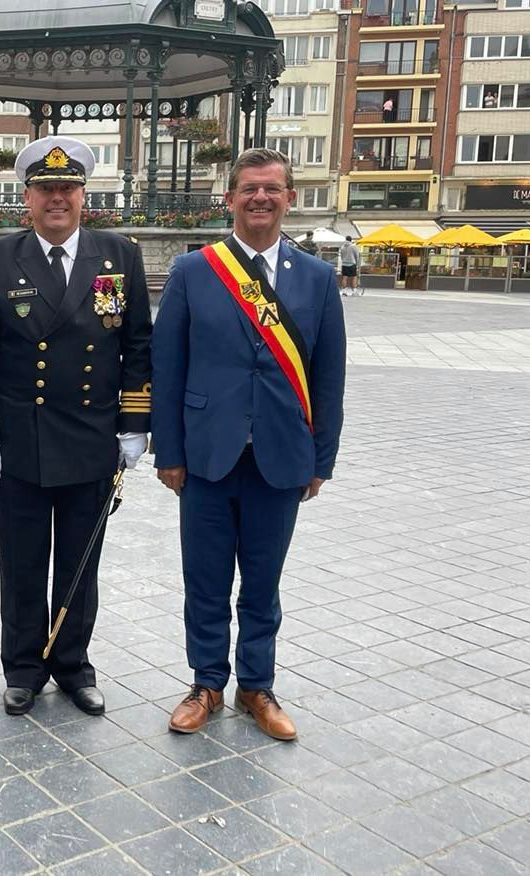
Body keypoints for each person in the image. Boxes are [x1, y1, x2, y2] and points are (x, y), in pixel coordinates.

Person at [151, 148, 346, 741]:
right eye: (249, 189)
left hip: (282, 456)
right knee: (205, 579)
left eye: (273, 189)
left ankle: (256, 686)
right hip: (209, 454)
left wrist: (321, 459)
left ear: (289, 197)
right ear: (230, 199)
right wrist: (171, 452)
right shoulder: (195, 270)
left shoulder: (316, 276)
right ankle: (206, 681)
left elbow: (329, 374)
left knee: (263, 582)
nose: (261, 198)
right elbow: (168, 365)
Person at [0, 136, 152, 717]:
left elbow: (138, 344)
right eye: (45, 189)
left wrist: (134, 424)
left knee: (80, 561)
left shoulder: (118, 255)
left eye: (67, 188)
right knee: (20, 563)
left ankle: (72, 665)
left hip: (93, 440)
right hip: (20, 439)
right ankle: (23, 666)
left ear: (82, 195)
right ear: (27, 196)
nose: (57, 199)